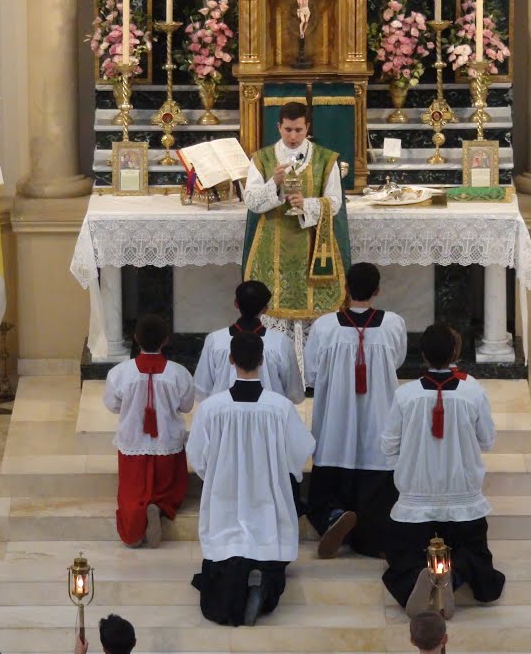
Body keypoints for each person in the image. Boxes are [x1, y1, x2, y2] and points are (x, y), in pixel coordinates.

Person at [187, 332, 316, 626]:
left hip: (226, 497)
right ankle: (264, 583)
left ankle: (235, 586)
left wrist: (218, 476)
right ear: (261, 360)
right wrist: (281, 472)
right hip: (267, 497)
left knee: (222, 560)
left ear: (231, 361)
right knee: (268, 548)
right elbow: (301, 451)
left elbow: (197, 456)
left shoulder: (212, 408)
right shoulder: (279, 407)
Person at [381, 323, 505, 618]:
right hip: (463, 501)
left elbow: (387, 446)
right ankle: (455, 576)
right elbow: (487, 440)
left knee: (402, 558)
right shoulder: (472, 392)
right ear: (455, 354)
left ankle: (417, 581)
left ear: (422, 354)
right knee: (476, 556)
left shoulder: (405, 395)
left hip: (415, 503)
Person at [303, 262, 406, 559]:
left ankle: (334, 517)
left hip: (337, 420)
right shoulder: (393, 324)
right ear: (377, 291)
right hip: (379, 417)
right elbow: (397, 361)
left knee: (328, 480)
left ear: (345, 289)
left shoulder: (324, 326)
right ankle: (373, 536)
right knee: (379, 480)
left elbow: (310, 373)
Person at [242, 102, 350, 326]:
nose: (293, 136)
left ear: (307, 127)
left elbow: (335, 202)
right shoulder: (261, 159)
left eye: (299, 130)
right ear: (278, 126)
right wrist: (275, 182)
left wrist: (306, 204)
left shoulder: (326, 159)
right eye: (288, 129)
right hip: (272, 245)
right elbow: (251, 201)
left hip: (311, 245)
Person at [103, 314, 195, 548]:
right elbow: (186, 406)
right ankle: (161, 507)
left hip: (133, 445)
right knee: (171, 489)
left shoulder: (120, 373)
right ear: (165, 340)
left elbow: (113, 406)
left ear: (135, 339)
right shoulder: (179, 373)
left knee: (131, 492)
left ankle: (134, 531)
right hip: (167, 445)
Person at [194, 280, 304, 403]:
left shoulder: (215, 341)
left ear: (236, 304)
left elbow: (202, 390)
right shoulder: (281, 342)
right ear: (266, 308)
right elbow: (294, 394)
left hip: (224, 416)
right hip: (268, 416)